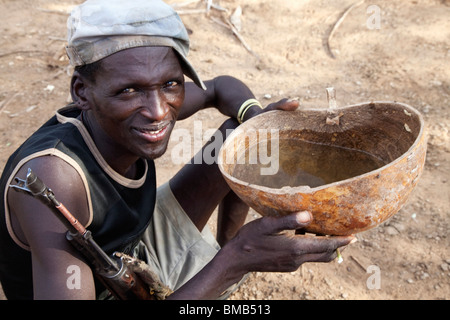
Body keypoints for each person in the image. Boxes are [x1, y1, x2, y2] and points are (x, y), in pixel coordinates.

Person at [0, 0, 355, 300]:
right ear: (82, 92)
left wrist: (255, 118)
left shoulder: (141, 109)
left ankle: (219, 258)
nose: (158, 111)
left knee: (242, 137)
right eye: (128, 91)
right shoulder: (55, 177)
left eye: (171, 83)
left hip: (130, 251)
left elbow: (219, 89)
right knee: (229, 262)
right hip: (97, 288)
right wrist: (236, 260)